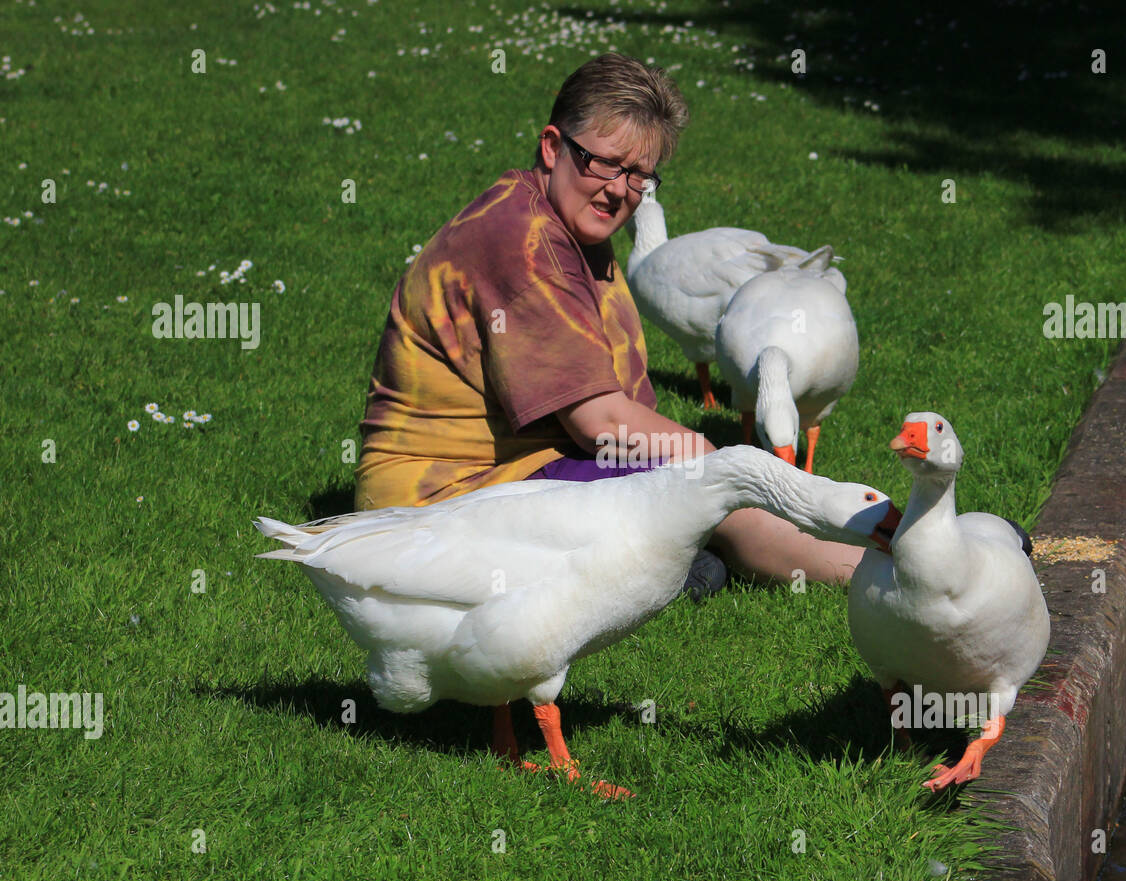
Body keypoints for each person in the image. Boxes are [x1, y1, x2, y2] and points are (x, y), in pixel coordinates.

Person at [355, 53, 868, 588]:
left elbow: (616, 416)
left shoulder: (561, 221)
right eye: (604, 163)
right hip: (438, 502)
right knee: (710, 484)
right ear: (553, 147)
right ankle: (879, 578)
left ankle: (679, 559)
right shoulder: (528, 250)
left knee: (686, 488)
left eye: (640, 175)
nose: (620, 189)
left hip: (515, 473)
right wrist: (721, 461)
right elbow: (600, 425)